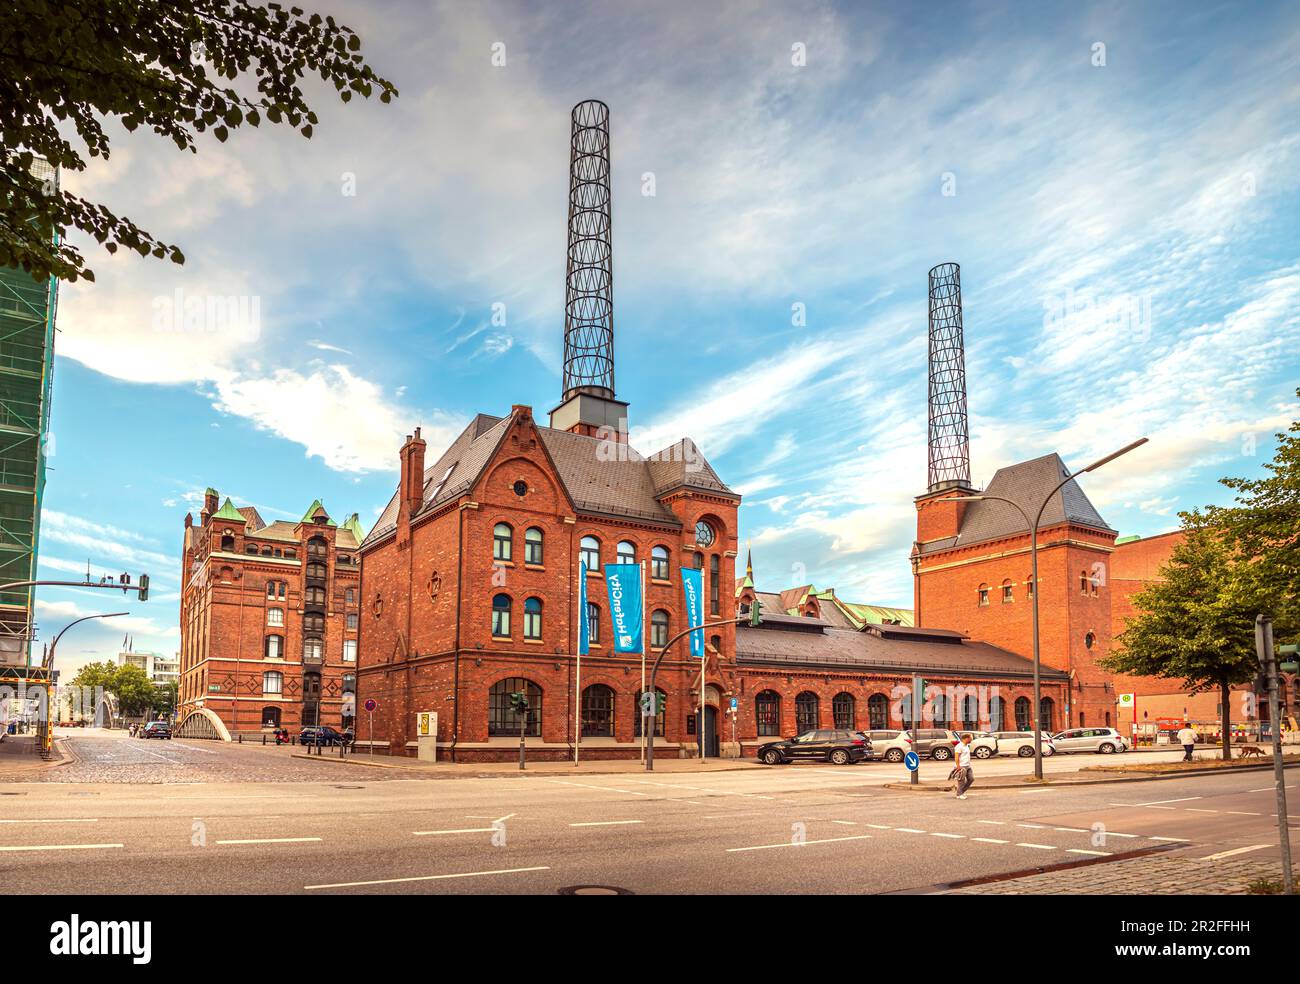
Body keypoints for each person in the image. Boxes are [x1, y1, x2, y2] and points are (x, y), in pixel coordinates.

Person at [954, 732, 974, 799]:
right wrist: (958, 766)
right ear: (966, 738)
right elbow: (956, 757)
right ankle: (959, 794)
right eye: (970, 738)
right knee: (961, 781)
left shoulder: (966, 746)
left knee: (971, 779)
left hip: (968, 765)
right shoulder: (959, 746)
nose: (971, 739)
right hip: (961, 766)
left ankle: (961, 791)